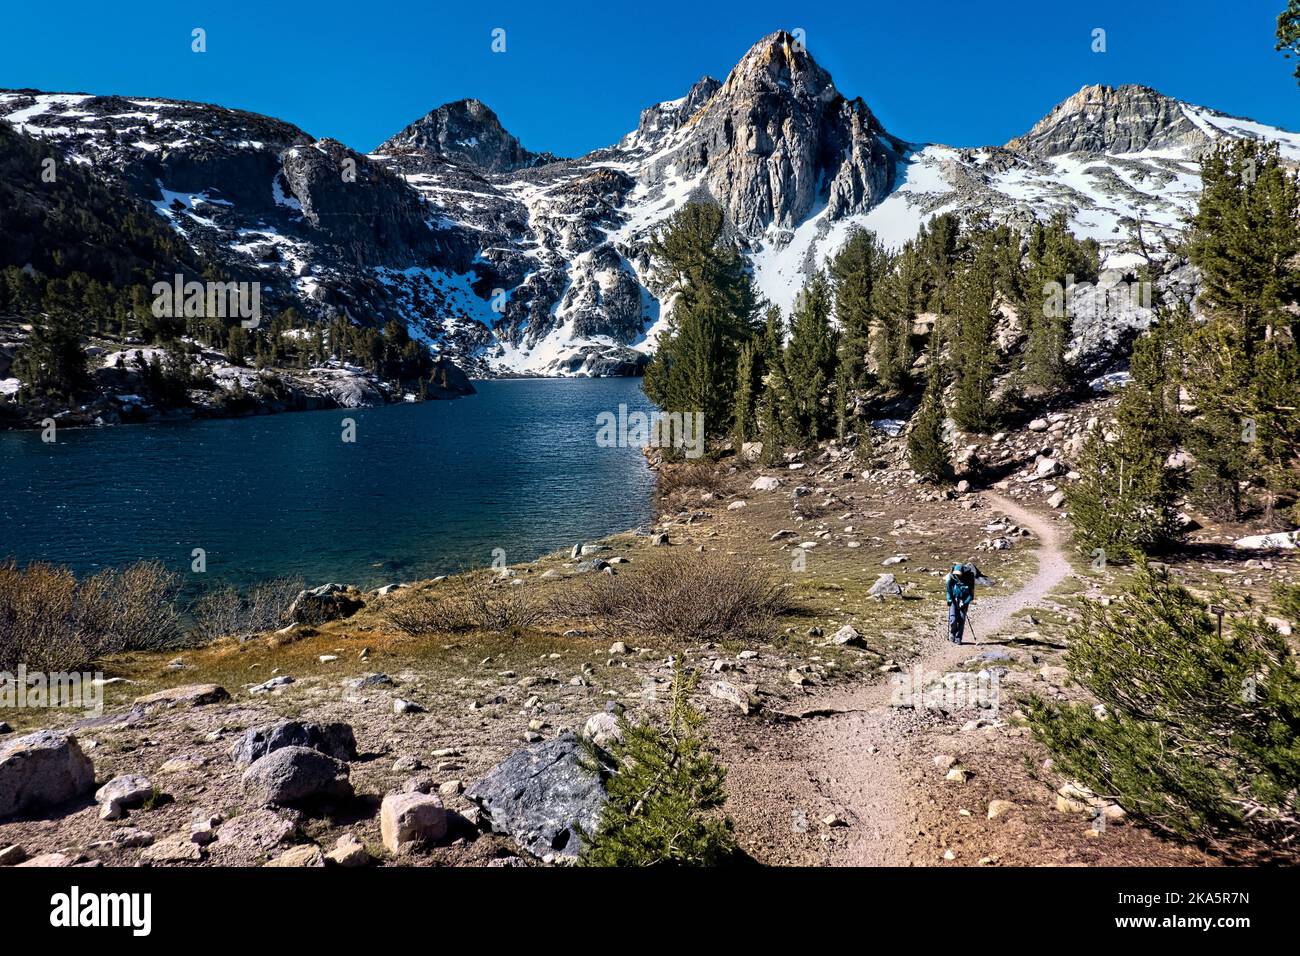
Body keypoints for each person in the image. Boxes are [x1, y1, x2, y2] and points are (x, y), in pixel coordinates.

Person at [944, 561, 978, 644]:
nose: (957, 576)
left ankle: (958, 637)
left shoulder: (969, 580)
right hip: (954, 600)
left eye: (959, 574)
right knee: (953, 619)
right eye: (956, 574)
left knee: (962, 620)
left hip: (964, 601)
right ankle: (952, 633)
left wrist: (965, 602)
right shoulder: (951, 579)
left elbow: (971, 595)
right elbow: (949, 591)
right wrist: (949, 599)